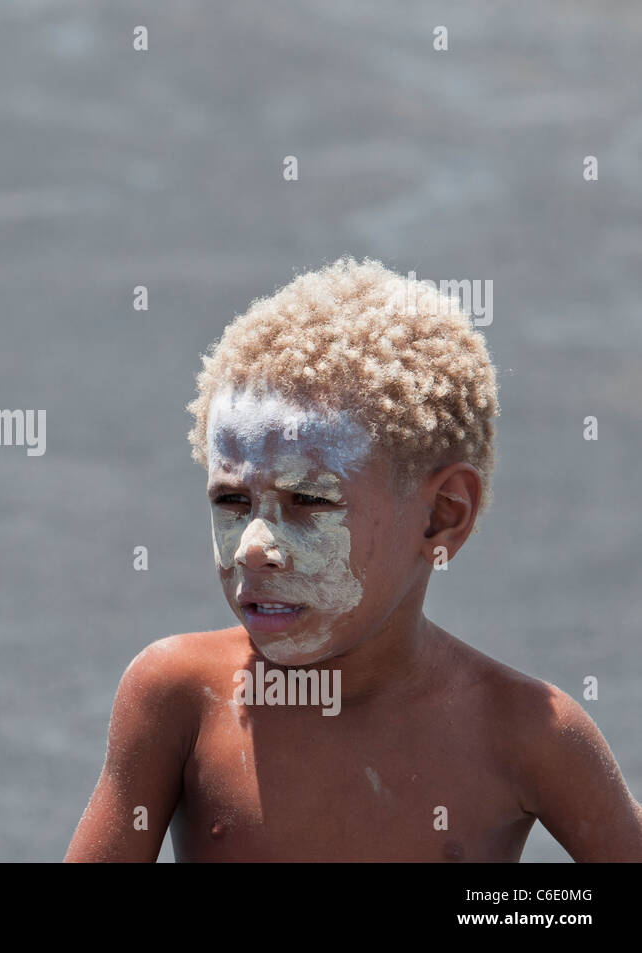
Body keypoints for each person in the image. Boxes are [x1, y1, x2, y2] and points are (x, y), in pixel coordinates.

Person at [66, 257, 642, 861]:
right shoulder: (180, 695)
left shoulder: (525, 733)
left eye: (310, 500)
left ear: (443, 514)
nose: (252, 546)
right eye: (232, 499)